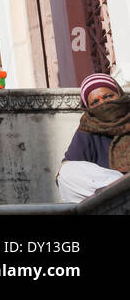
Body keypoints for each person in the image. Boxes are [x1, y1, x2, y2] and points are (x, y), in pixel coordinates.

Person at [56, 72, 130, 202]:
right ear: (88, 108)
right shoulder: (88, 128)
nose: (103, 103)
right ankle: (120, 188)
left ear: (119, 94)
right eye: (95, 102)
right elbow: (69, 172)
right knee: (66, 171)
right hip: (111, 194)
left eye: (108, 96)